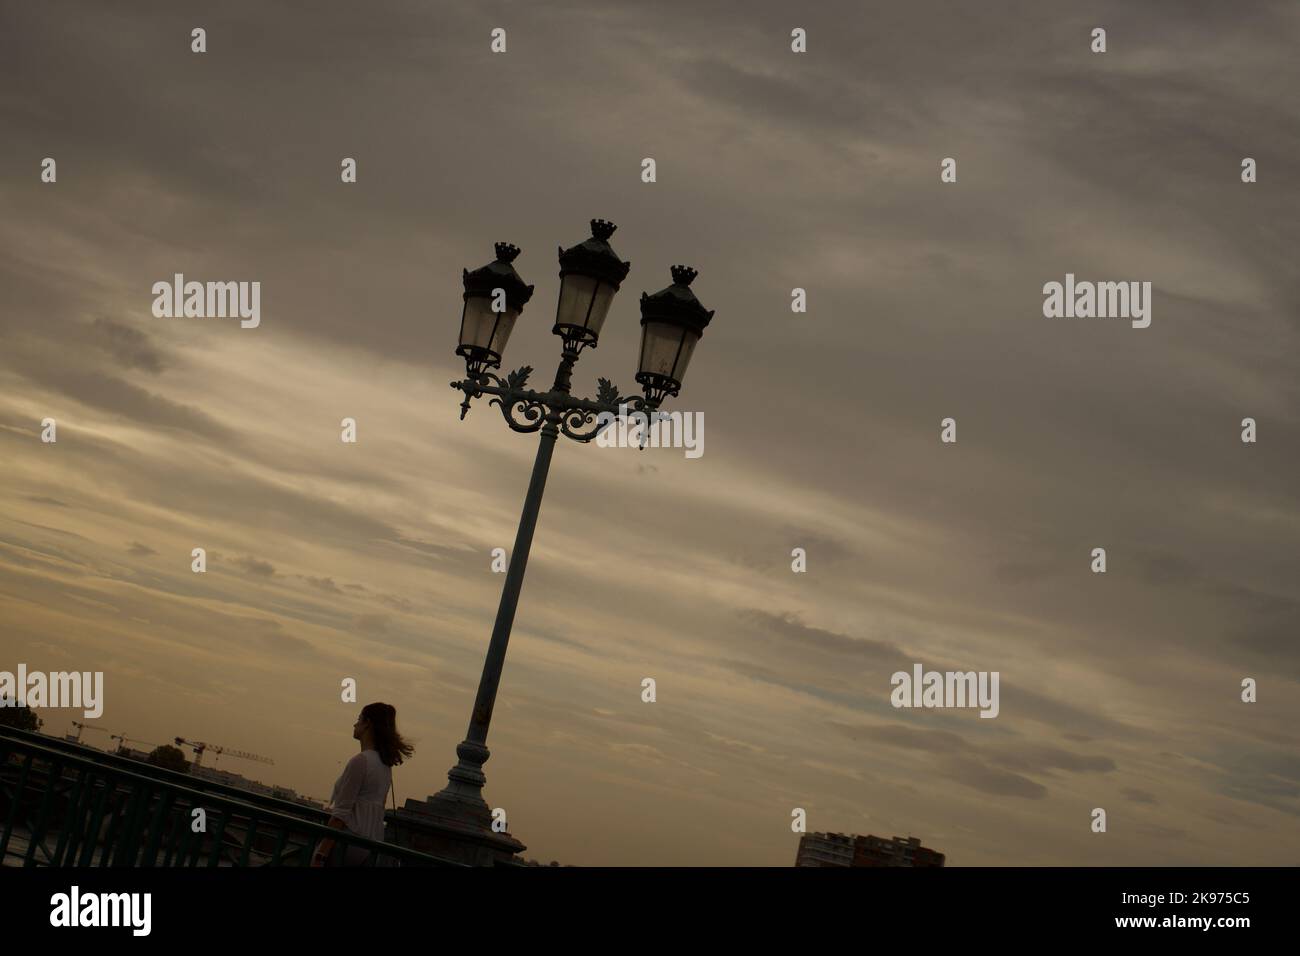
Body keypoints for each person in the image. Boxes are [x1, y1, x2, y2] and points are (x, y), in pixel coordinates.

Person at [312, 702, 413, 866]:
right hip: (368, 846)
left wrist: (321, 853)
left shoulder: (360, 761)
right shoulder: (385, 765)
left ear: (368, 723)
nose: (355, 724)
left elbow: (341, 813)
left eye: (359, 719)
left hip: (347, 841)